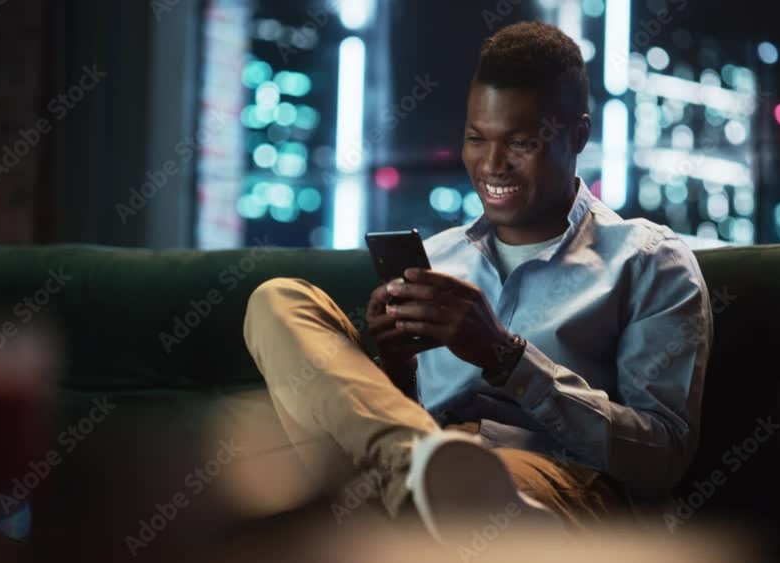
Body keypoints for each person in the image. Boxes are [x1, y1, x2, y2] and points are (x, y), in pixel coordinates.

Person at [242, 21, 712, 546]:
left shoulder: (648, 260)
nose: (491, 164)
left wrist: (506, 357)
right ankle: (419, 473)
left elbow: (662, 457)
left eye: (521, 142)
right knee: (278, 301)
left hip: (549, 483)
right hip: (419, 469)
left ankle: (416, 488)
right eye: (475, 138)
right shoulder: (437, 258)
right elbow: (390, 413)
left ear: (579, 136)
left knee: (441, 493)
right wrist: (395, 366)